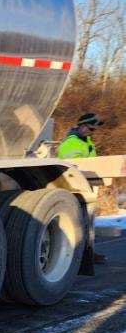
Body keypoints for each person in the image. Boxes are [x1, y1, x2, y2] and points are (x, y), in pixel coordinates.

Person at [58, 112, 107, 263]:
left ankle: (87, 253)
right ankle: (81, 255)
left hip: (87, 187)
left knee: (87, 223)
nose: (93, 132)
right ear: (83, 127)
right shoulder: (72, 143)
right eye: (91, 129)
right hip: (75, 189)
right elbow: (75, 167)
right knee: (80, 225)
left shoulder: (86, 142)